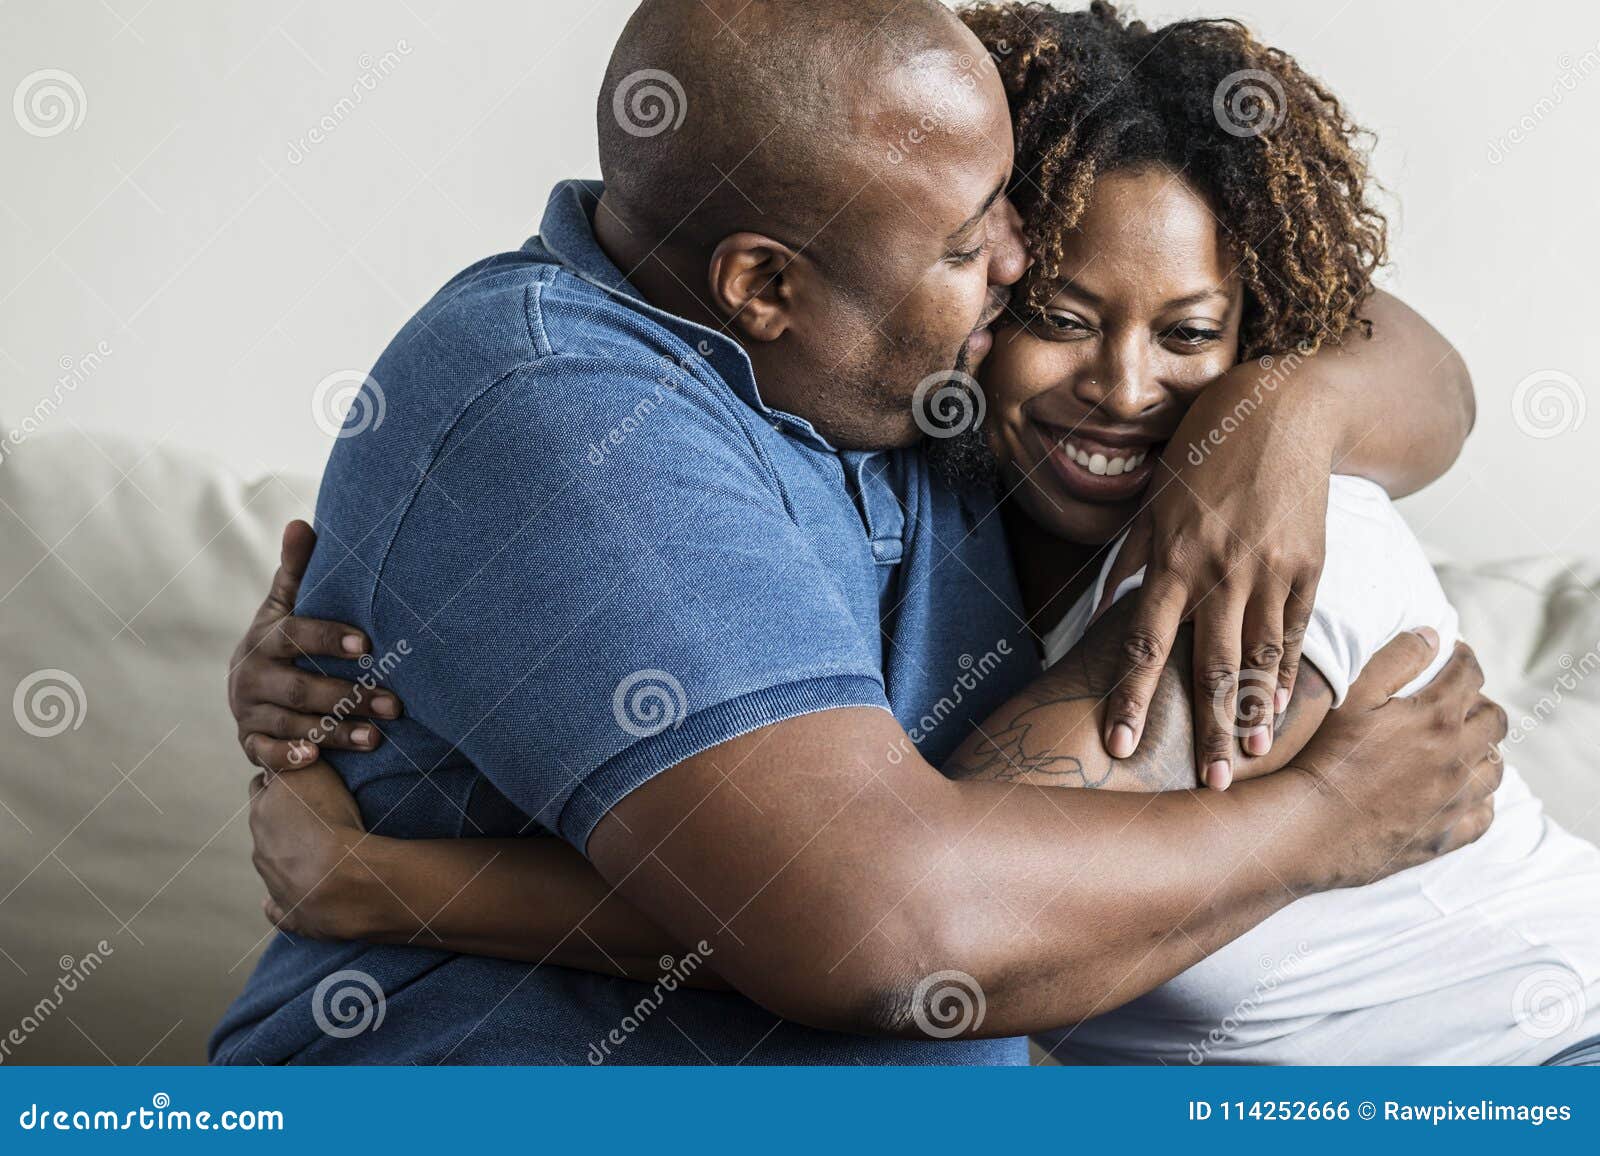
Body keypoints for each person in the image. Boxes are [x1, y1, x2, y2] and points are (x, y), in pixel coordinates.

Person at [213, 0, 1499, 1065]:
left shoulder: (896, 385)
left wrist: (1287, 409)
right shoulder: (572, 406)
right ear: (767, 283)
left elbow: (1373, 335)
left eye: (1191, 338)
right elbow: (888, 926)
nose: (1011, 257)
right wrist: (1324, 823)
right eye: (983, 245)